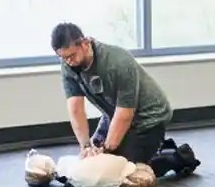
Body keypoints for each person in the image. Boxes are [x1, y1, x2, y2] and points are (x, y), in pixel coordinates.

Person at [51, 22, 198, 177]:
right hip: (112, 115)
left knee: (120, 172)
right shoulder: (68, 65)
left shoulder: (118, 62)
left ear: (85, 43)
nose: (68, 62)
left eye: (72, 56)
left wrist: (107, 151)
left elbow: (125, 114)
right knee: (90, 163)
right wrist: (86, 146)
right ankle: (149, 150)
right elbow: (75, 108)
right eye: (63, 58)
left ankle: (177, 157)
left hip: (148, 119)